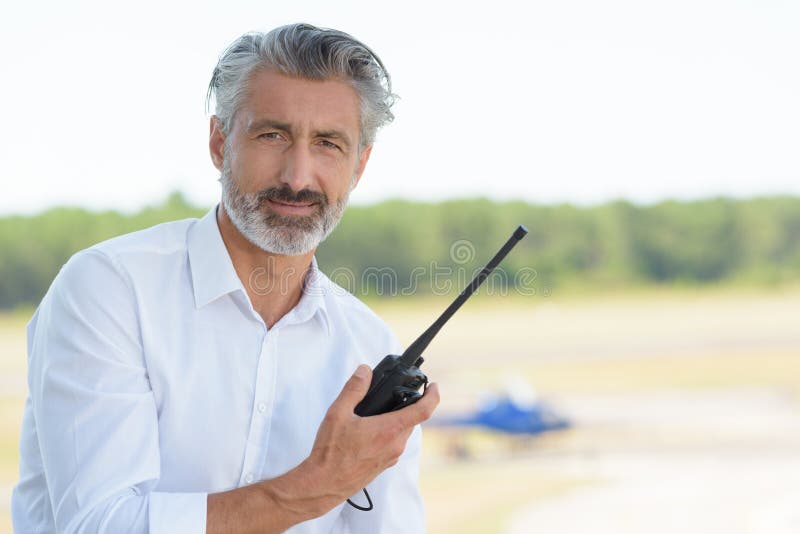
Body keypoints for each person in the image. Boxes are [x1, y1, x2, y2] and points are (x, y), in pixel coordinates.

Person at [11, 23, 440, 533]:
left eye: (328, 143)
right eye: (272, 135)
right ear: (219, 143)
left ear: (359, 166)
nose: (298, 177)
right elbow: (99, 525)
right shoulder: (109, 291)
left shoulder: (369, 346)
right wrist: (311, 488)